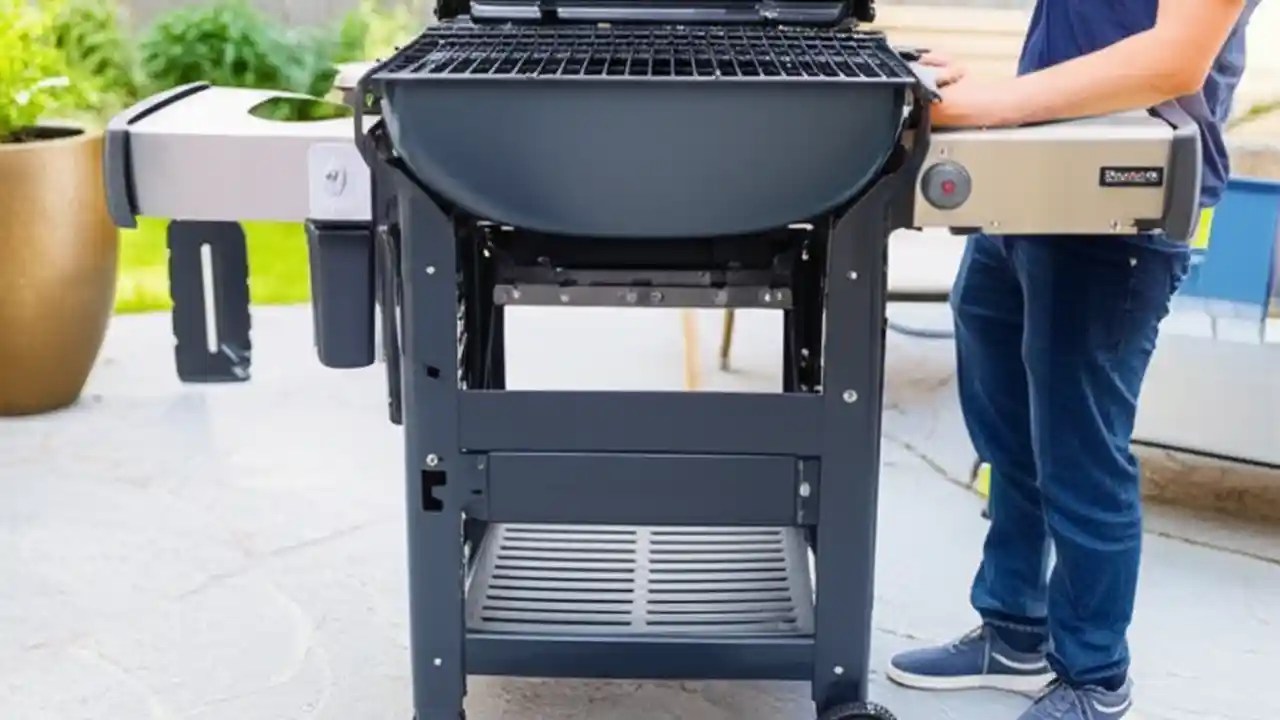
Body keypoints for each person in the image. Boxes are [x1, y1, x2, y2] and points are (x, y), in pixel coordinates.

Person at [885, 0, 1260, 718]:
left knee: (1079, 448)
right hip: (1035, 171)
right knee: (1010, 430)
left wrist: (994, 102)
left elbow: (1170, 59)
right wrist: (993, 94)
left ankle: (1095, 674)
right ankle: (1014, 628)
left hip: (1119, 195)